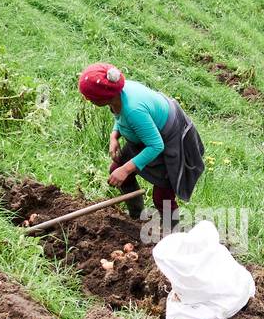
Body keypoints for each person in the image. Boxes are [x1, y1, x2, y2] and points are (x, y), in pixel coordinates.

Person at [78, 62, 204, 232]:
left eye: (91, 98)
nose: (88, 100)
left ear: (106, 97)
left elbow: (156, 145)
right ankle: (136, 216)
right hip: (146, 137)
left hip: (167, 140)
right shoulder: (117, 93)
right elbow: (120, 117)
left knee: (162, 196)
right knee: (116, 168)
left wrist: (126, 169)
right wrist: (114, 135)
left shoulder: (134, 110)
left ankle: (174, 235)